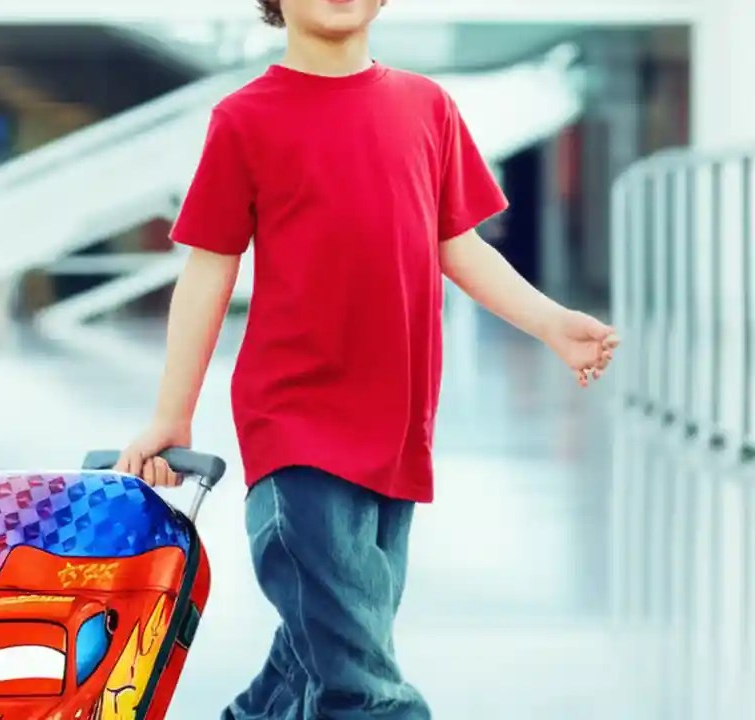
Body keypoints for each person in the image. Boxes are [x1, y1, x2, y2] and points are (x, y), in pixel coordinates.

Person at [114, 1, 620, 718]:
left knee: (316, 650)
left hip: (394, 437)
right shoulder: (244, 118)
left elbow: (457, 244)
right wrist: (173, 414)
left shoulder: (427, 107)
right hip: (295, 437)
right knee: (366, 687)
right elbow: (208, 268)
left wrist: (552, 323)